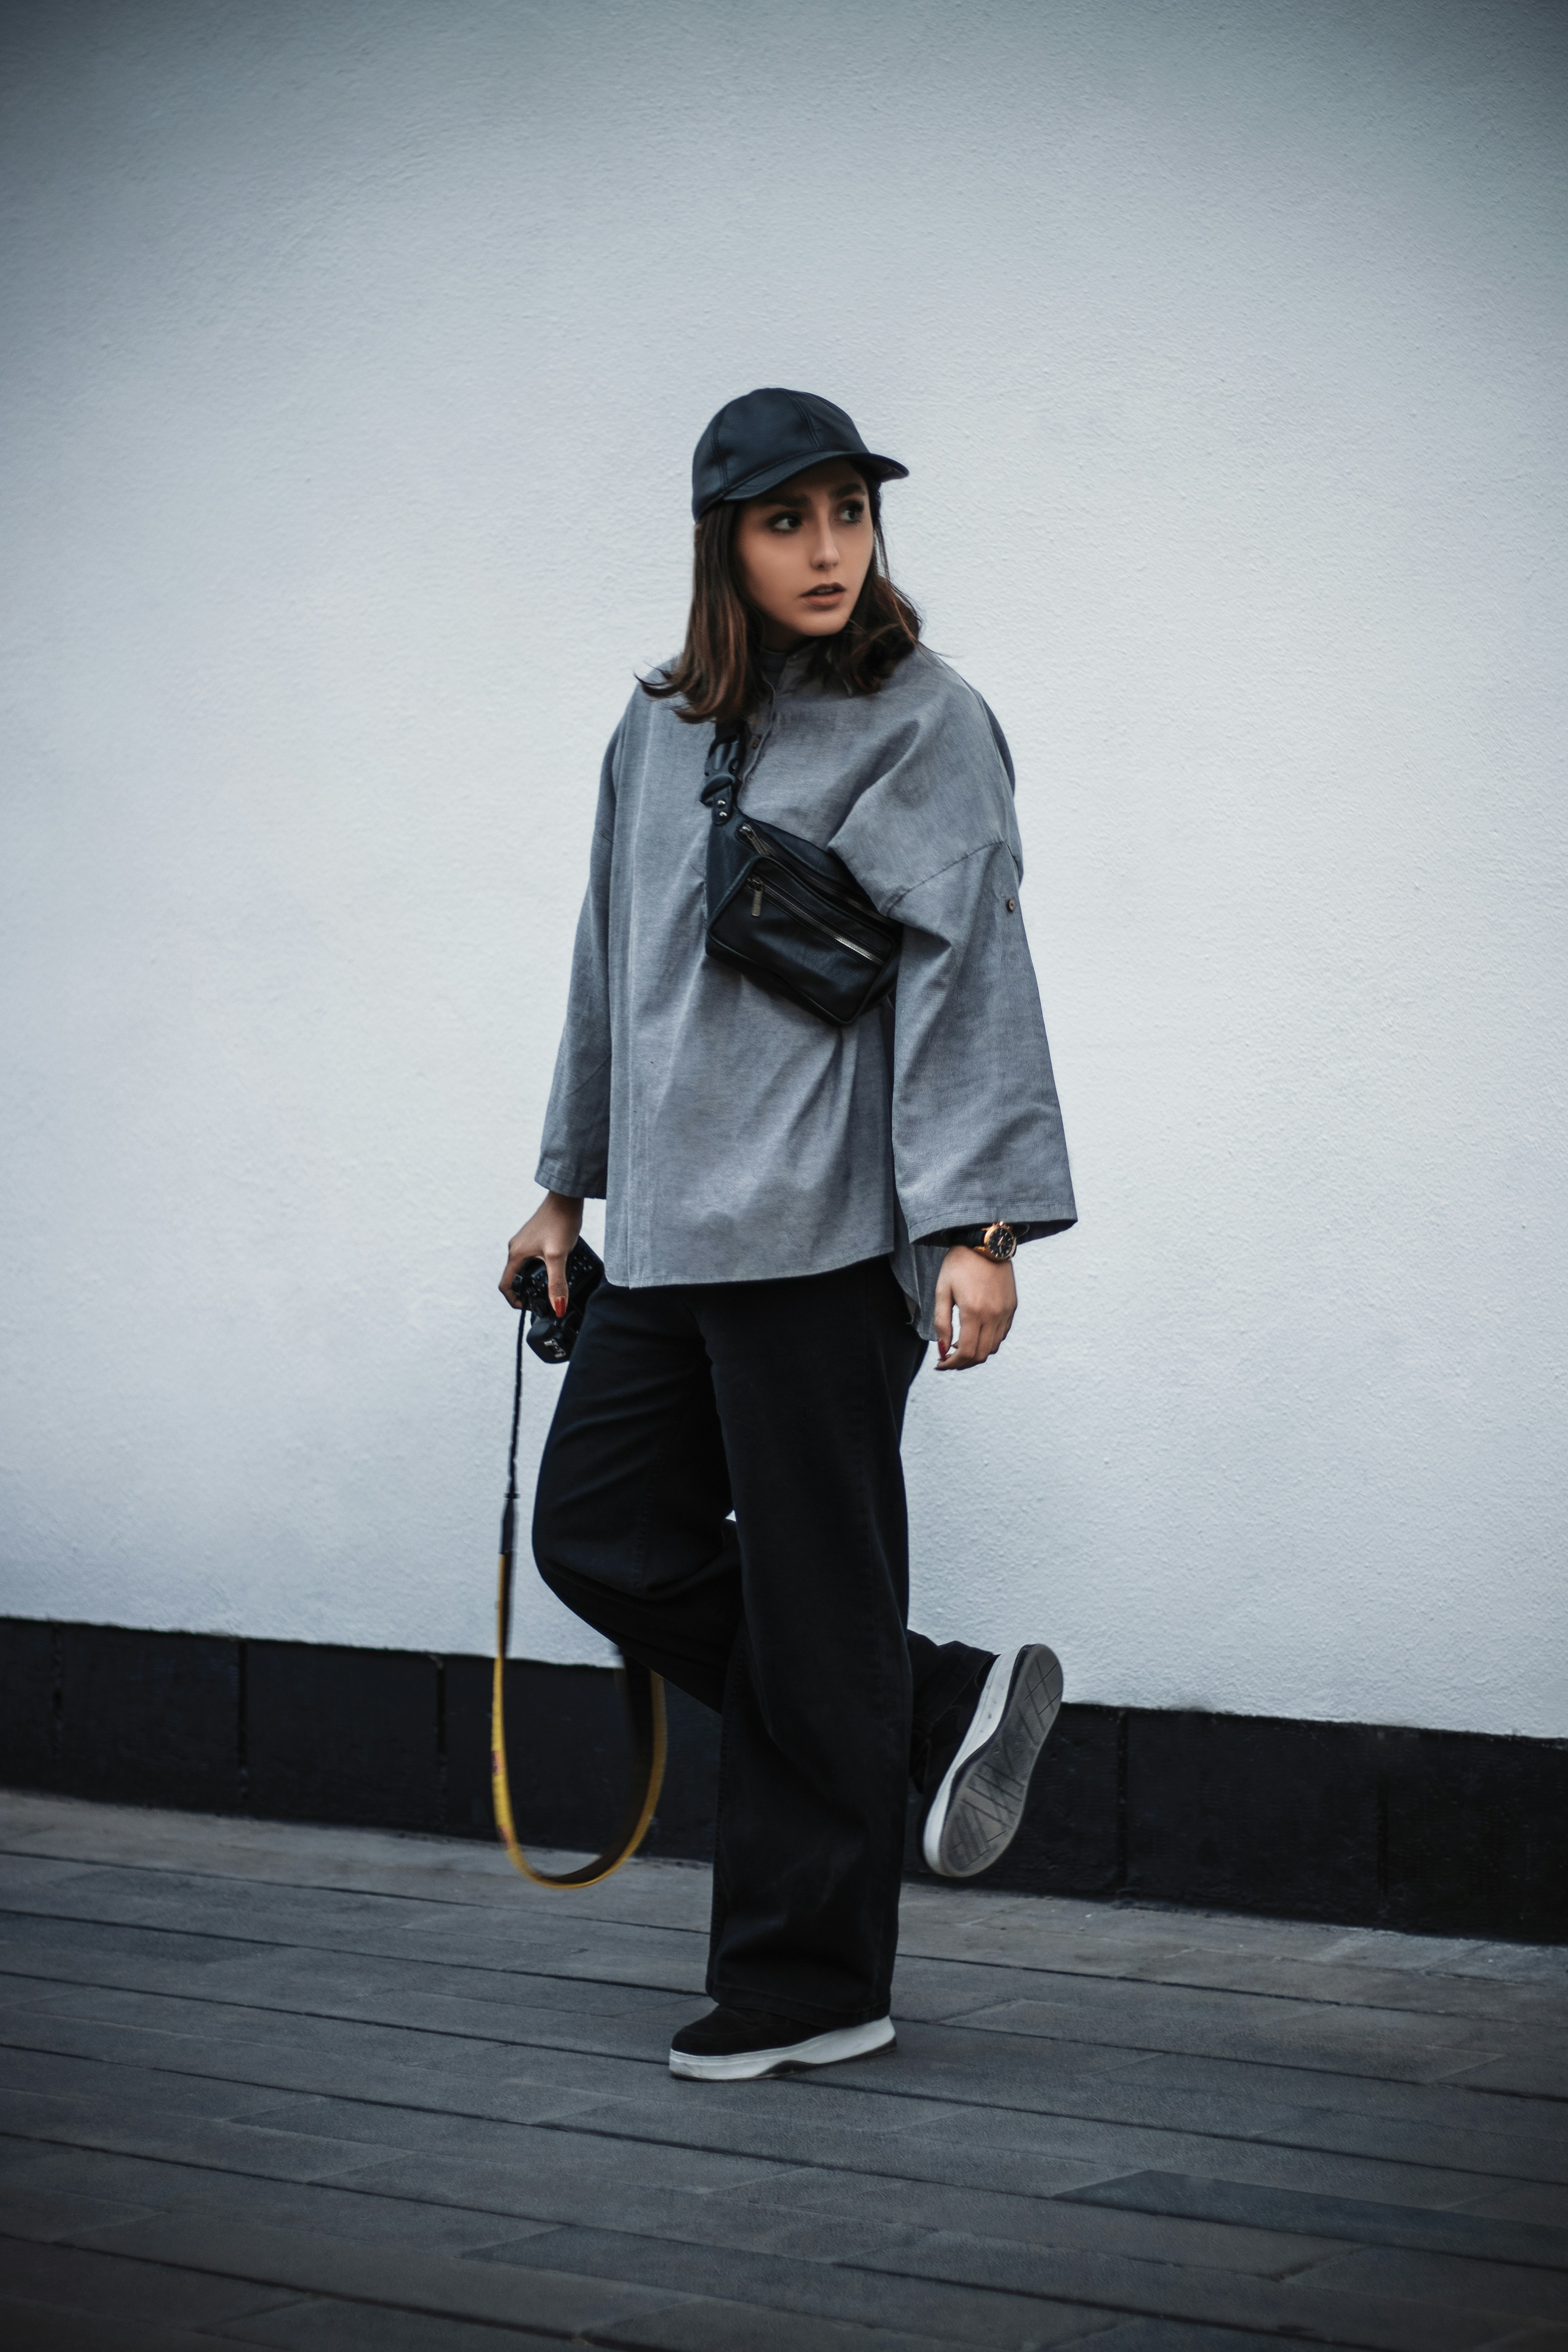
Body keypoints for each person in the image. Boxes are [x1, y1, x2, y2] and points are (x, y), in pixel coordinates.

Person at [500, 388, 1076, 2083]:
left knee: (811, 1588)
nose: (828, 548)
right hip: (671, 1235)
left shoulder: (923, 718)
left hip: (831, 1239)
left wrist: (983, 1225)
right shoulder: (658, 726)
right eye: (786, 519)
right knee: (596, 1533)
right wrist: (564, 1180)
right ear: (721, 543)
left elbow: (977, 971)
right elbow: (609, 959)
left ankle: (812, 1980)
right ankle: (913, 1705)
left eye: (848, 511)